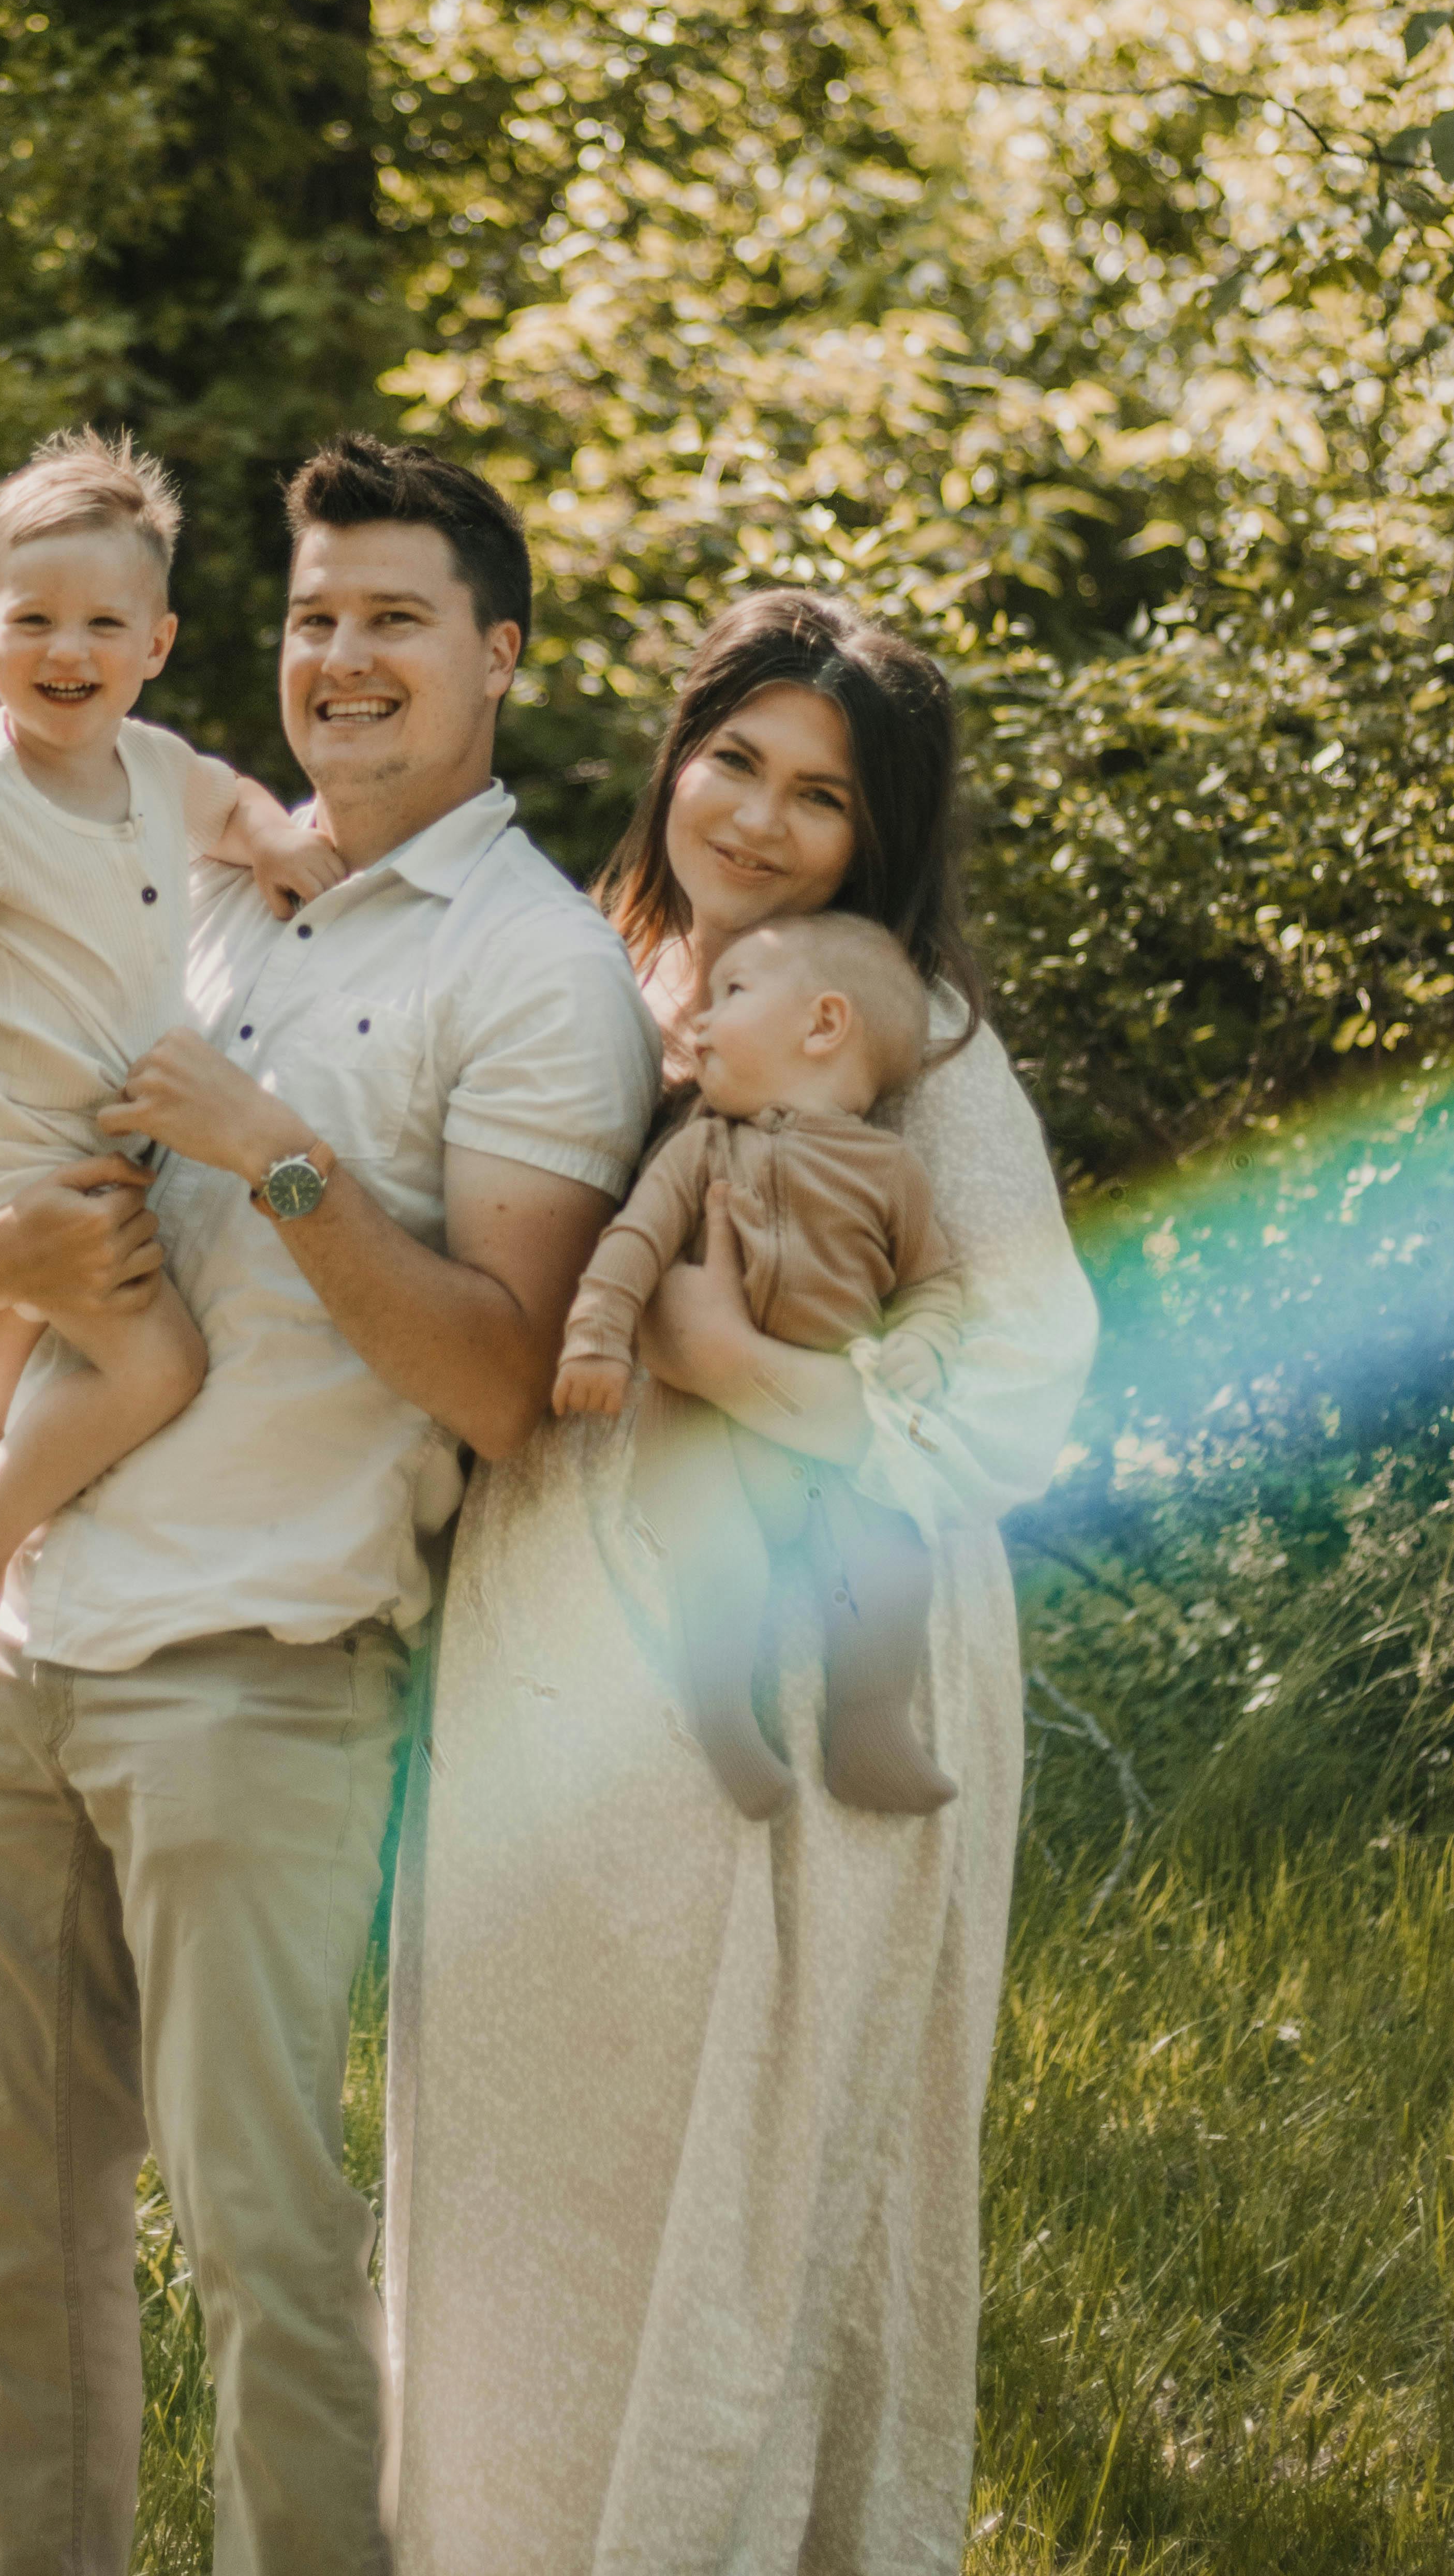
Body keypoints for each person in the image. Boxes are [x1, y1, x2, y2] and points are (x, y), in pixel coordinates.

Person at [0, 434, 663, 2576]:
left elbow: (509, 1389)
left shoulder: (533, 969)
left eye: (396, 617)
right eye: (315, 616)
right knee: (2, 2224)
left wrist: (277, 1155)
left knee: (261, 2246)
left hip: (255, 1672)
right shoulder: (183, 864)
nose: (343, 656)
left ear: (501, 655)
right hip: (12, 1640)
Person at [388, 590, 1099, 2576]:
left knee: (747, 2170)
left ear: (882, 839)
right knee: (541, 2152)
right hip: (554, 1627)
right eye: (736, 761)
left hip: (813, 1630)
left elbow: (1026, 1371)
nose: (762, 820)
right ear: (673, 757)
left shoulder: (907, 1038)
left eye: (823, 796)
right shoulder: (584, 972)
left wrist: (749, 1374)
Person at [0, 425, 342, 1693]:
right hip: (23, 1147)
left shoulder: (153, 766)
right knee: (157, 1364)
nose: (67, 652)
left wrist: (272, 841)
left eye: (104, 625)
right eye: (33, 621)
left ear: (155, 645)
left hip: (84, 1137)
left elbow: (232, 804)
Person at [553, 907, 963, 1820]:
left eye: (731, 993)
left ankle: (869, 1730)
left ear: (824, 1025)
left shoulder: (891, 1171)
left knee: (890, 1561)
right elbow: (631, 1244)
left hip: (823, 1444)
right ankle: (723, 1715)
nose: (699, 1021)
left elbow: (935, 1283)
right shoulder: (701, 1149)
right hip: (703, 1436)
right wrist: (597, 1336)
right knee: (722, 1566)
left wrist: (923, 1344)